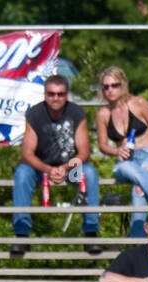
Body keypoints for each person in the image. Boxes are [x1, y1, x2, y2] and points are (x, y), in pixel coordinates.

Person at [11, 74, 101, 257]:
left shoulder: (77, 113)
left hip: (70, 167)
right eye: (51, 94)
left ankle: (91, 233)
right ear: (45, 94)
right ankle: (21, 235)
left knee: (90, 173)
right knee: (21, 173)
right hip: (40, 168)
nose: (56, 98)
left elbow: (84, 153)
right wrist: (49, 170)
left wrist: (64, 168)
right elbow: (27, 153)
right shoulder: (35, 114)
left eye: (60, 94)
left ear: (66, 95)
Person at [94, 66, 148, 239]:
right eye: (106, 87)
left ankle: (136, 241)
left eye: (114, 85)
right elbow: (103, 145)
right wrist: (117, 150)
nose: (110, 90)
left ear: (123, 85)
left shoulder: (138, 104)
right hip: (125, 161)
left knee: (139, 189)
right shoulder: (103, 114)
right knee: (125, 169)